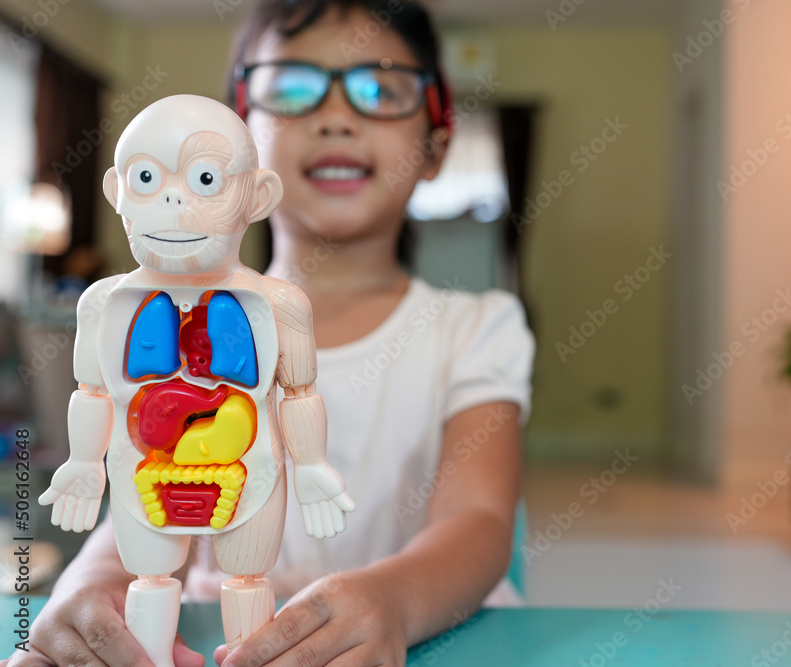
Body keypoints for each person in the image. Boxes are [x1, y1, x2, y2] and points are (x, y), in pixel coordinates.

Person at [5, 1, 534, 666]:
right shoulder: (159, 315)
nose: (335, 115)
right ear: (240, 140)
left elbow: (479, 522)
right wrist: (93, 577)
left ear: (436, 147)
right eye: (290, 87)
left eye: (381, 89)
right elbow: (153, 479)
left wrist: (394, 600)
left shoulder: (477, 328)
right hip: (209, 635)